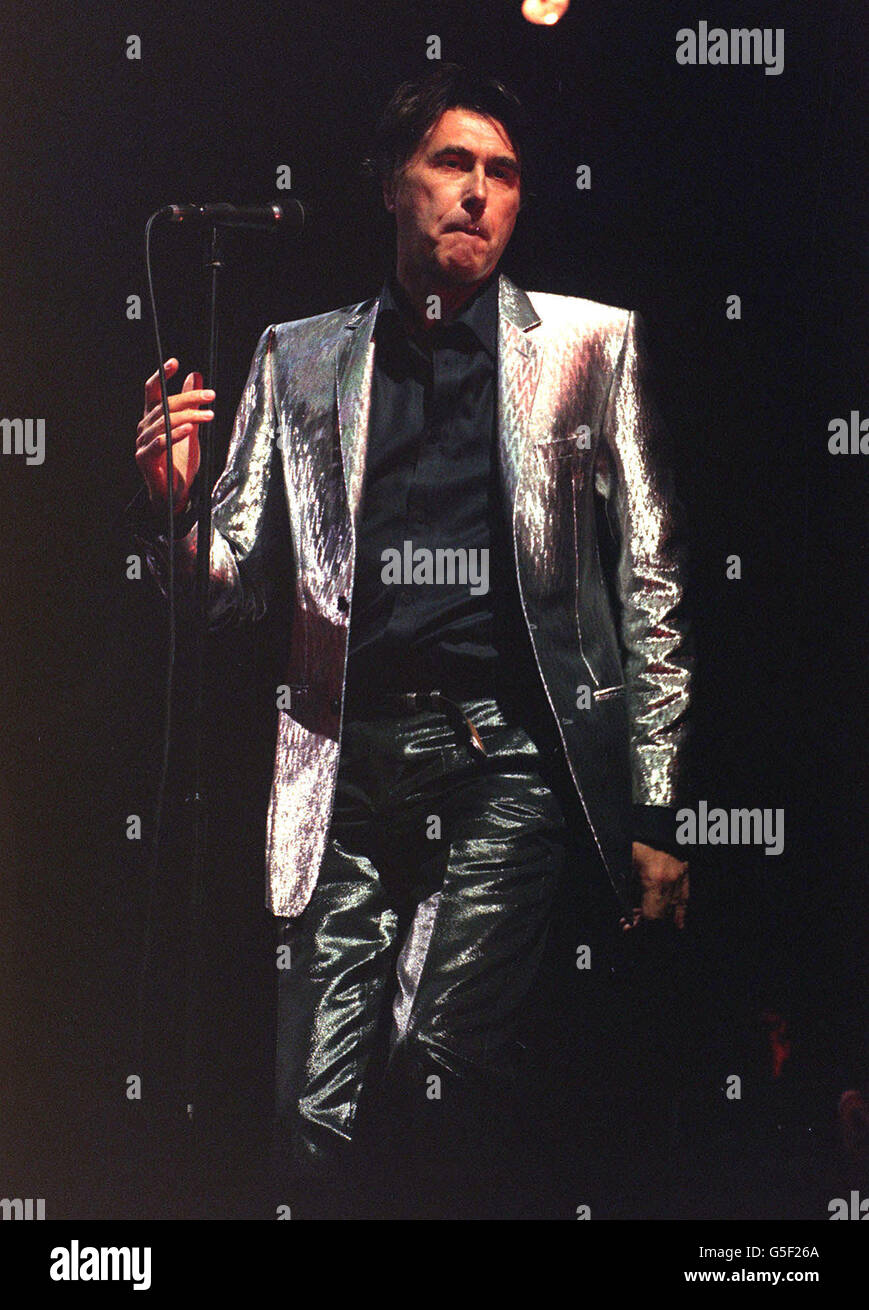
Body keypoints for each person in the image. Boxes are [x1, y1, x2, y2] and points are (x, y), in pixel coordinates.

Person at [129, 64, 693, 1218]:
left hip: (506, 768)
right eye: (452, 165)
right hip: (342, 773)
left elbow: (650, 583)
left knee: (437, 1068)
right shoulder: (299, 359)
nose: (478, 193)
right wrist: (175, 510)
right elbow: (230, 591)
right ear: (392, 185)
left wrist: (656, 806)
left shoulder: (589, 349)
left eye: (502, 173)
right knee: (308, 1124)